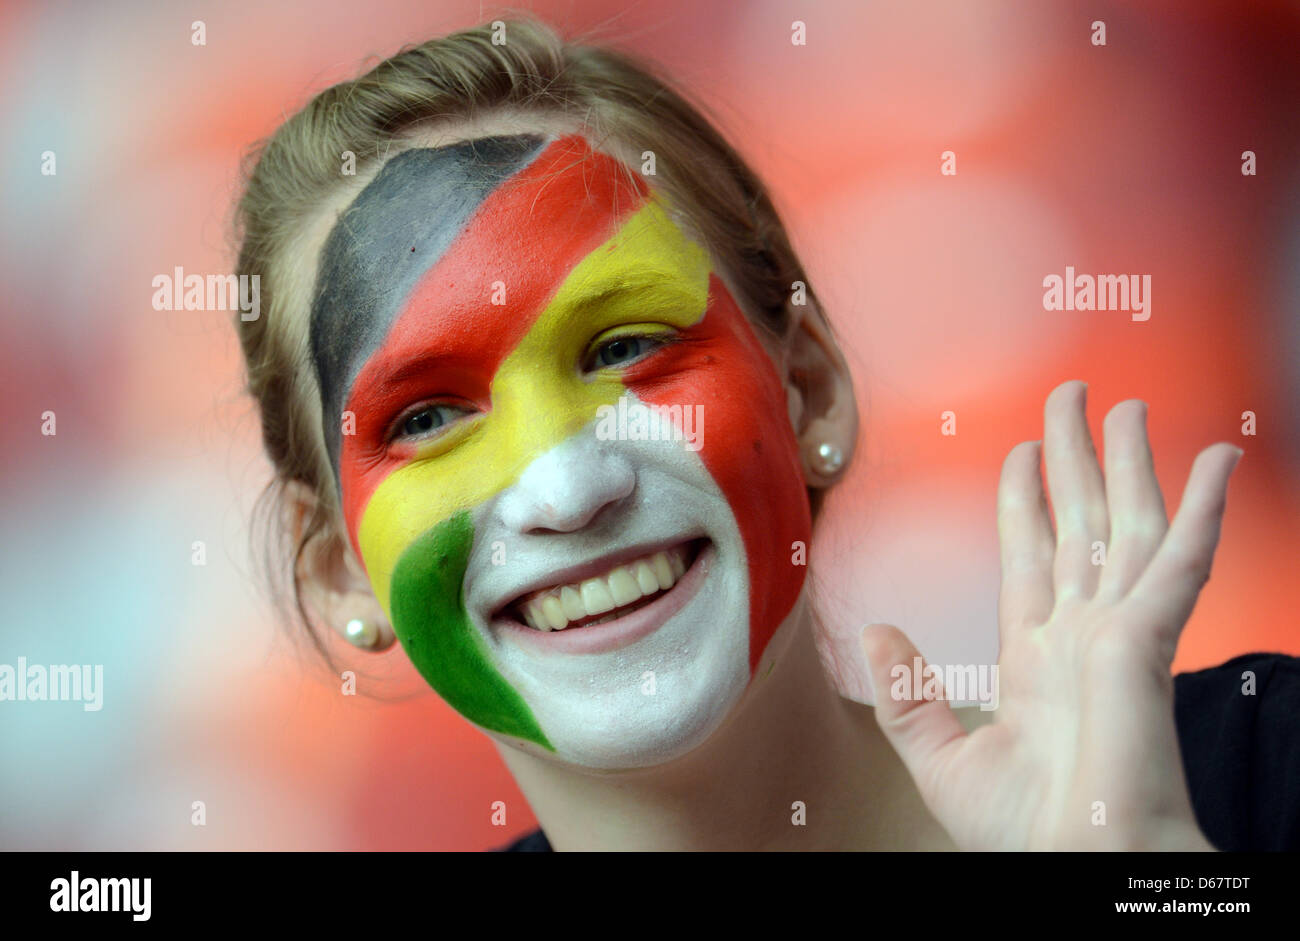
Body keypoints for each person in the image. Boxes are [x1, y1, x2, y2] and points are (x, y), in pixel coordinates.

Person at [231, 19, 1298, 851]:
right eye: (428, 417)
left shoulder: (1259, 768)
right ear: (338, 575)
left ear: (809, 387)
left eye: (622, 348)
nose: (565, 486)